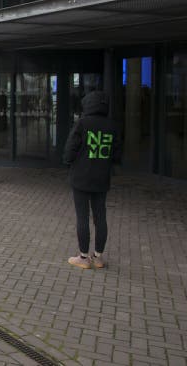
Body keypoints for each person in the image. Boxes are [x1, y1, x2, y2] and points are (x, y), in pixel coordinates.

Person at [63, 90, 122, 270]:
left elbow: (70, 149)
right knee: (100, 216)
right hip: (102, 178)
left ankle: (83, 257)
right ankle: (98, 257)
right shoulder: (112, 126)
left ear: (88, 104)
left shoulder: (82, 123)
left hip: (81, 177)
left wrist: (68, 162)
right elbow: (117, 155)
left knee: (82, 217)